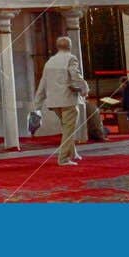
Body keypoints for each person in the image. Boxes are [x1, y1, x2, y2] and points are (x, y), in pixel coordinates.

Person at [33, 36, 89, 165]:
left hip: (53, 101)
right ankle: (63, 159)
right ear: (70, 46)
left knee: (66, 128)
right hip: (68, 100)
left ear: (57, 47)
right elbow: (75, 75)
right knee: (69, 129)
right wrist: (85, 87)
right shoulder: (71, 58)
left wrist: (38, 103)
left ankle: (73, 153)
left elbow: (43, 83)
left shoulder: (50, 61)